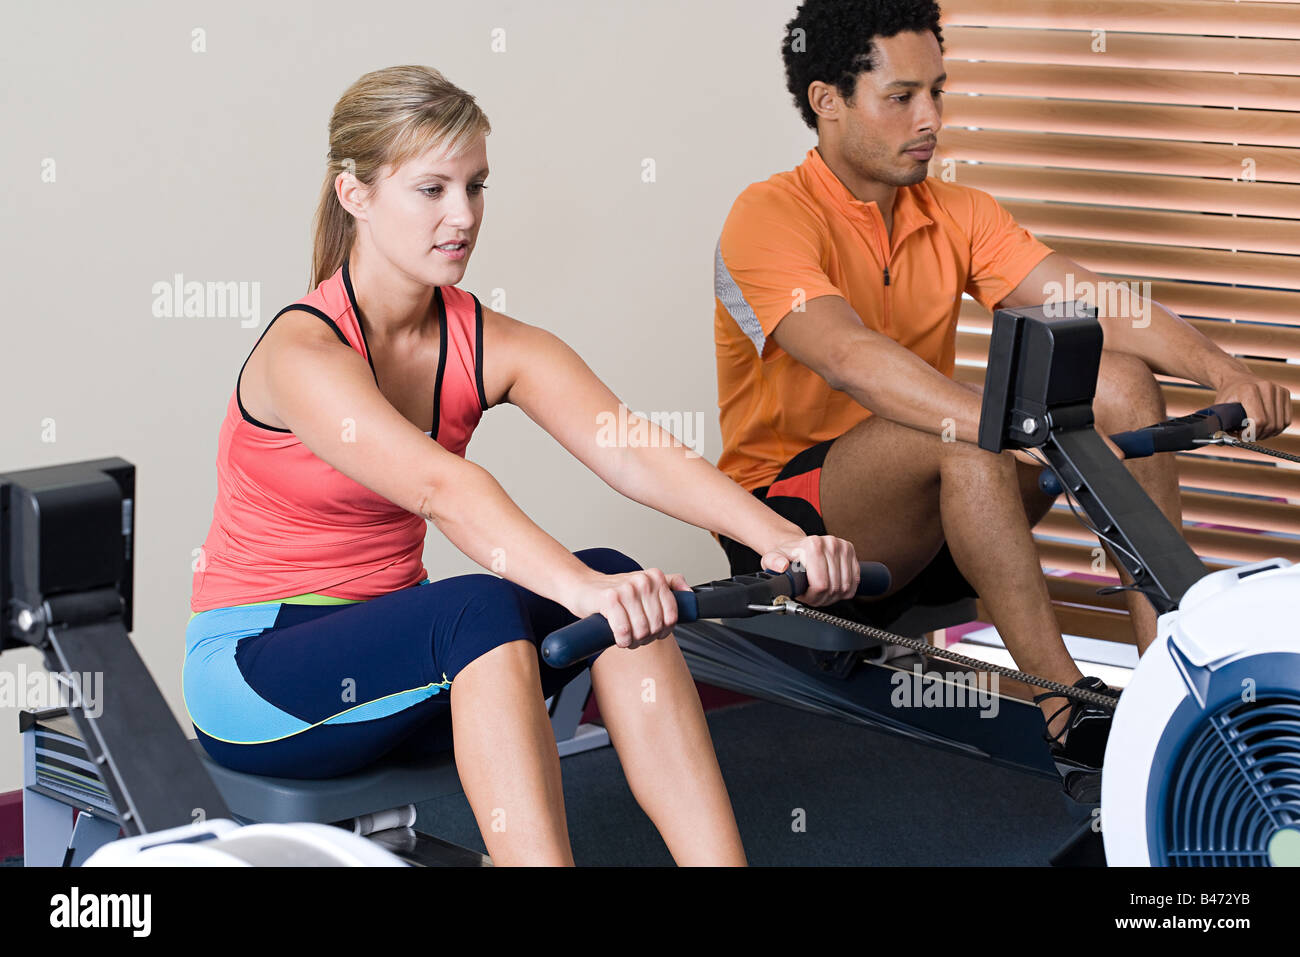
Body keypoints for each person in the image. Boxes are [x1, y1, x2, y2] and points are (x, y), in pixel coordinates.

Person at [183, 64, 864, 866]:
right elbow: (442, 487)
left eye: (475, 186)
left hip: (403, 654)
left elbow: (629, 444)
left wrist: (779, 538)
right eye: (432, 190)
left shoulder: (482, 340)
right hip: (258, 671)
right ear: (354, 194)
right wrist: (581, 592)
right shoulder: (304, 353)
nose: (463, 215)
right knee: (490, 606)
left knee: (616, 575)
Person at [711, 0, 1292, 796]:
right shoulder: (767, 216)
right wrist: (1005, 428)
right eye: (902, 96)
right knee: (964, 431)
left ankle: (1166, 674)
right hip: (795, 525)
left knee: (1119, 381)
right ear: (827, 101)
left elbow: (1091, 300)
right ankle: (1067, 713)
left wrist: (1223, 371)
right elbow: (849, 358)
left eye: (938, 92)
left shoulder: (954, 211)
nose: (930, 118)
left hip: (947, 506)